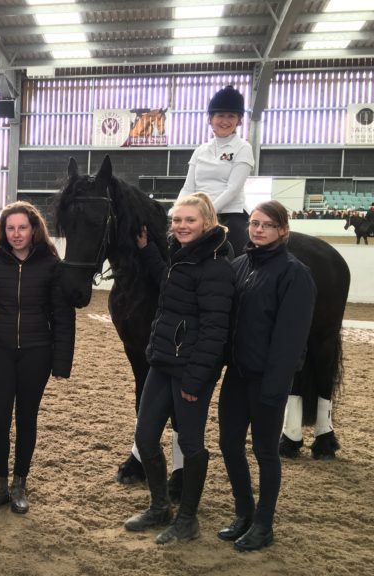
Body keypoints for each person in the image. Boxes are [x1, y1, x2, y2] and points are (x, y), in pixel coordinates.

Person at [124, 192, 234, 545]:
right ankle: (160, 507)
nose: (182, 226)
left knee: (189, 443)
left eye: (189, 220)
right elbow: (167, 280)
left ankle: (187, 519)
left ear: (207, 223)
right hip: (162, 363)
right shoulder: (179, 257)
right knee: (144, 437)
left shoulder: (216, 265)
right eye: (177, 220)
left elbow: (217, 329)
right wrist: (146, 249)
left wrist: (197, 377)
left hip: (189, 370)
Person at [218, 200, 316, 552]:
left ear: (282, 230)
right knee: (229, 445)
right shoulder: (240, 265)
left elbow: (290, 339)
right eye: (255, 224)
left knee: (264, 451)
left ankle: (263, 523)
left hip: (267, 380)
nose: (258, 230)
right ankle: (243, 512)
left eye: (267, 225)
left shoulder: (295, 273)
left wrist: (275, 388)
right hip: (237, 375)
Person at [0, 201, 75, 514]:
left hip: (37, 353)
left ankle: (19, 483)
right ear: (4, 231)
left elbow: (62, 316)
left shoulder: (51, 265)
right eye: (10, 228)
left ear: (34, 230)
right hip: (0, 352)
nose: (16, 234)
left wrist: (61, 362)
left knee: (26, 419)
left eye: (22, 228)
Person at [179, 85, 254, 256]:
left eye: (231, 116)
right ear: (210, 119)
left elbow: (233, 189)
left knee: (238, 255)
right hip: (198, 215)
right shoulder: (200, 150)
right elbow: (189, 187)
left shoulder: (243, 148)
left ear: (239, 120)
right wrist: (177, 211)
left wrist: (205, 214)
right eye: (220, 115)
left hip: (230, 215)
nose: (225, 121)